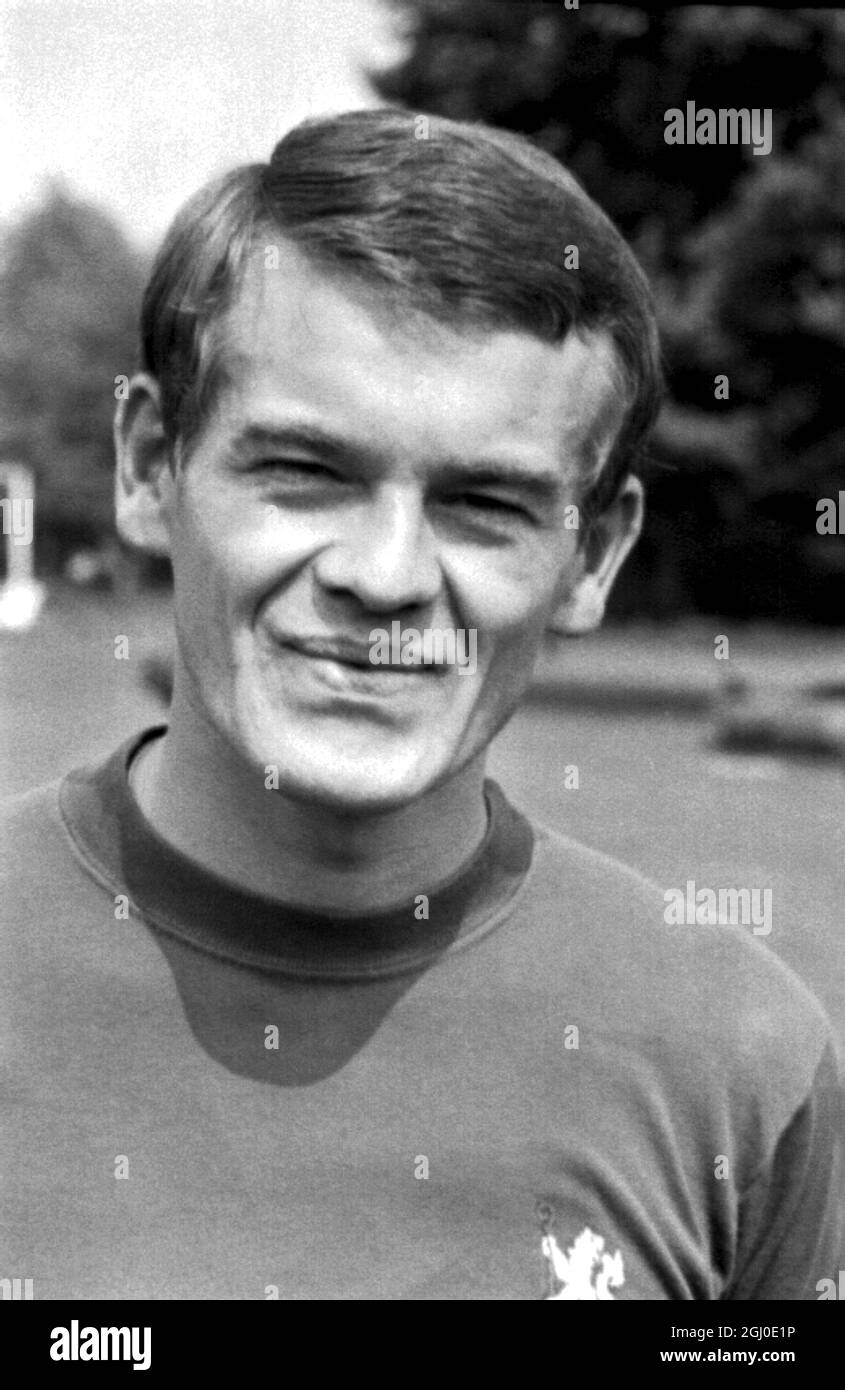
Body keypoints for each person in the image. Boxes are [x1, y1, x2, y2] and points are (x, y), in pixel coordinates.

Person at [2, 109, 841, 1301]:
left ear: (592, 556)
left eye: (484, 504)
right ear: (150, 466)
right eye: (304, 471)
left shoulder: (740, 1065)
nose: (384, 575)